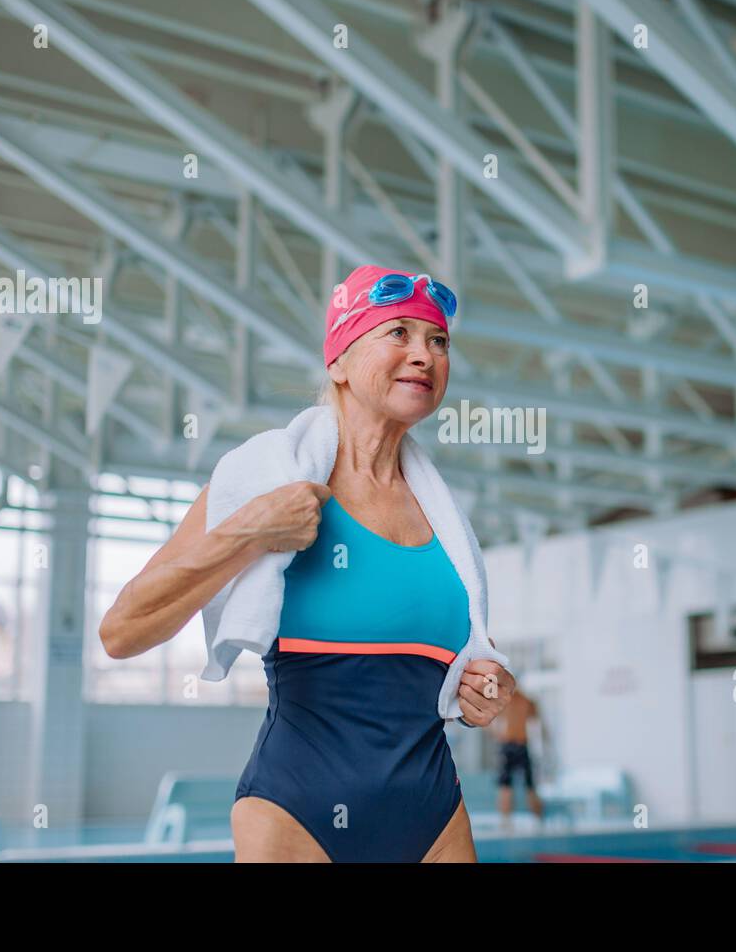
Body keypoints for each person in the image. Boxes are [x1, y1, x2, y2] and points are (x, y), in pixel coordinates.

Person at [99, 264, 515, 861]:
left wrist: (490, 685)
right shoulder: (270, 478)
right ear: (340, 362)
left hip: (434, 817)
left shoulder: (448, 525)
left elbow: (471, 655)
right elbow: (121, 631)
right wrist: (248, 532)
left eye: (438, 341)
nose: (424, 354)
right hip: (297, 811)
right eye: (397, 333)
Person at [495, 690, 545, 828]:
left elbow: (492, 722)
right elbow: (538, 723)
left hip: (511, 744)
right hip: (520, 744)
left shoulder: (506, 701)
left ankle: (506, 820)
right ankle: (537, 820)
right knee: (527, 785)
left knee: (507, 785)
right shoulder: (527, 701)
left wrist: (498, 735)